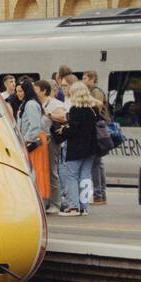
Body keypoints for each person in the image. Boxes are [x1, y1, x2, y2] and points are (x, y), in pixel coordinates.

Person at [58, 82, 99, 216]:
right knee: (85, 176)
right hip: (91, 148)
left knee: (72, 176)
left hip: (76, 148)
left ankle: (73, 207)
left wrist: (64, 129)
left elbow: (73, 130)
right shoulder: (93, 110)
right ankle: (84, 207)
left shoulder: (75, 109)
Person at [35, 79, 68, 212]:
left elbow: (63, 118)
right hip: (40, 140)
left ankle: (56, 202)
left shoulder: (54, 103)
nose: (34, 91)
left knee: (52, 170)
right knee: (42, 170)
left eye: (36, 89)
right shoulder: (36, 103)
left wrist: (49, 114)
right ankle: (46, 199)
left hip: (51, 140)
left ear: (43, 91)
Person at [16, 77, 49, 201]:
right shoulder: (27, 102)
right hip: (32, 139)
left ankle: (36, 199)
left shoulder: (30, 104)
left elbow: (35, 126)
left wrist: (24, 141)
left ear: (27, 90)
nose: (18, 94)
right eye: (17, 91)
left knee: (35, 170)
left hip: (33, 141)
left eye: (21, 91)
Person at [83, 69, 109, 205]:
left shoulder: (95, 92)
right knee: (98, 163)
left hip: (97, 130)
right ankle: (101, 193)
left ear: (92, 79)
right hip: (99, 129)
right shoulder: (94, 91)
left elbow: (96, 108)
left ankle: (99, 194)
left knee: (95, 163)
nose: (83, 81)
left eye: (85, 78)